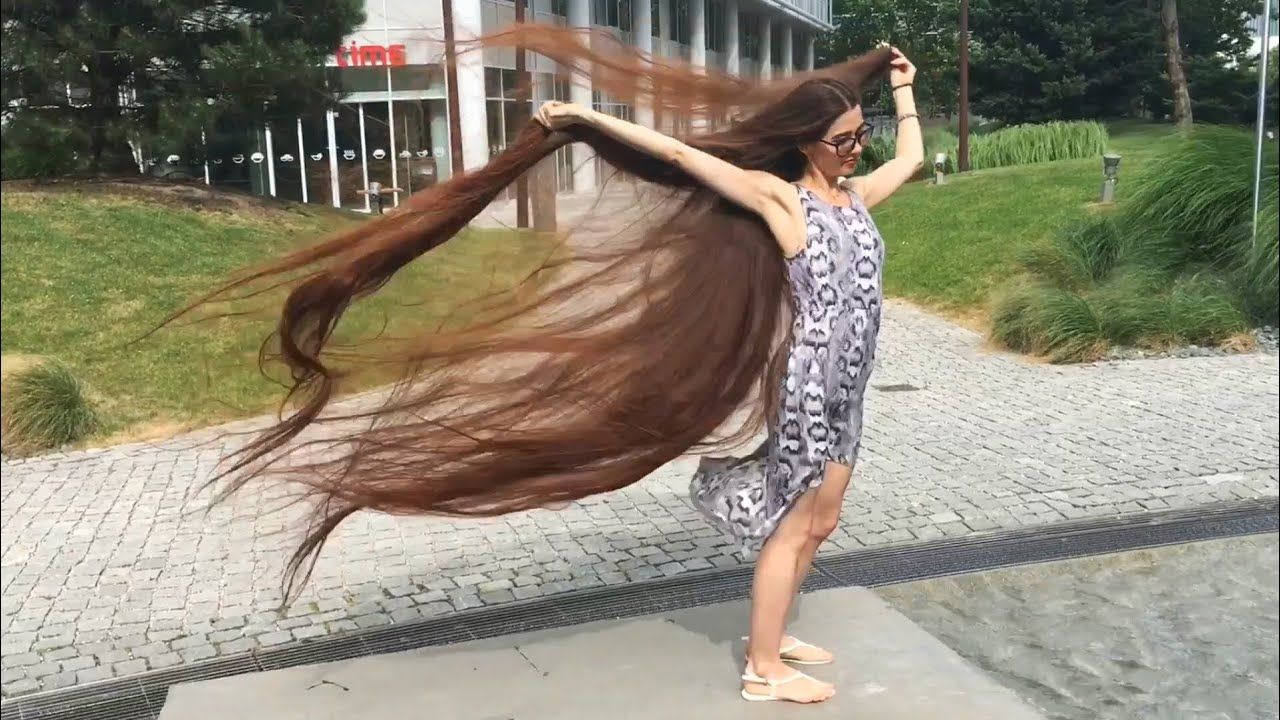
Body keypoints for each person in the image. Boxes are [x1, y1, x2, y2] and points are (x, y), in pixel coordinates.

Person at [176, 31, 920, 707]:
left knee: (823, 519)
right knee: (796, 521)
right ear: (806, 144)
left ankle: (776, 625)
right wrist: (586, 123)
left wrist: (906, 89)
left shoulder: (855, 200)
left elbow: (913, 160)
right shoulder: (780, 202)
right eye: (844, 140)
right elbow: (680, 157)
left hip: (850, 388)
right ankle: (764, 667)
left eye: (860, 137)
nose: (857, 150)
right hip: (810, 388)